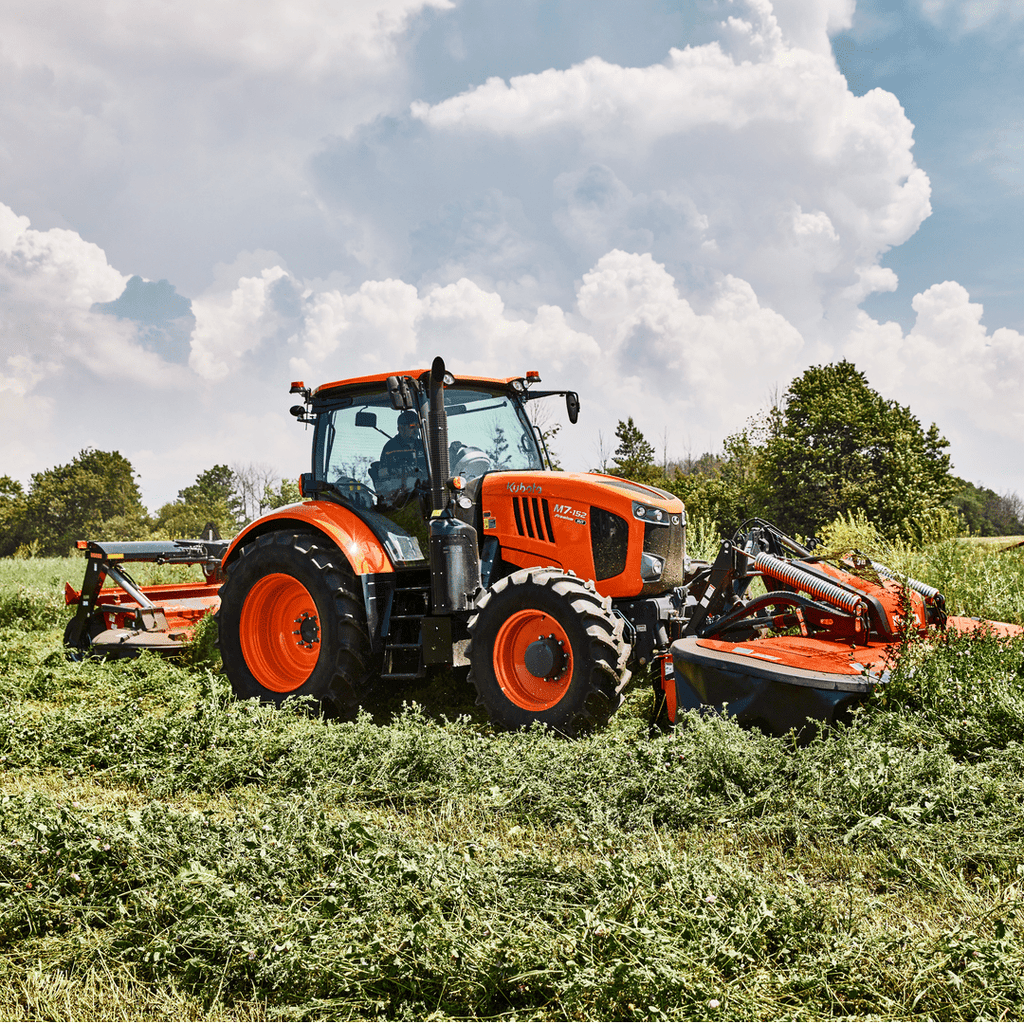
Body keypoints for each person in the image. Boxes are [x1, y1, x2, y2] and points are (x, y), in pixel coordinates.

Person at [379, 410, 427, 478]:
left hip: (425, 487)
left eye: (418, 426)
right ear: (400, 428)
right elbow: (381, 473)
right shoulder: (390, 447)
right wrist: (400, 471)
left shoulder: (424, 446)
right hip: (401, 487)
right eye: (412, 426)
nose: (416, 430)